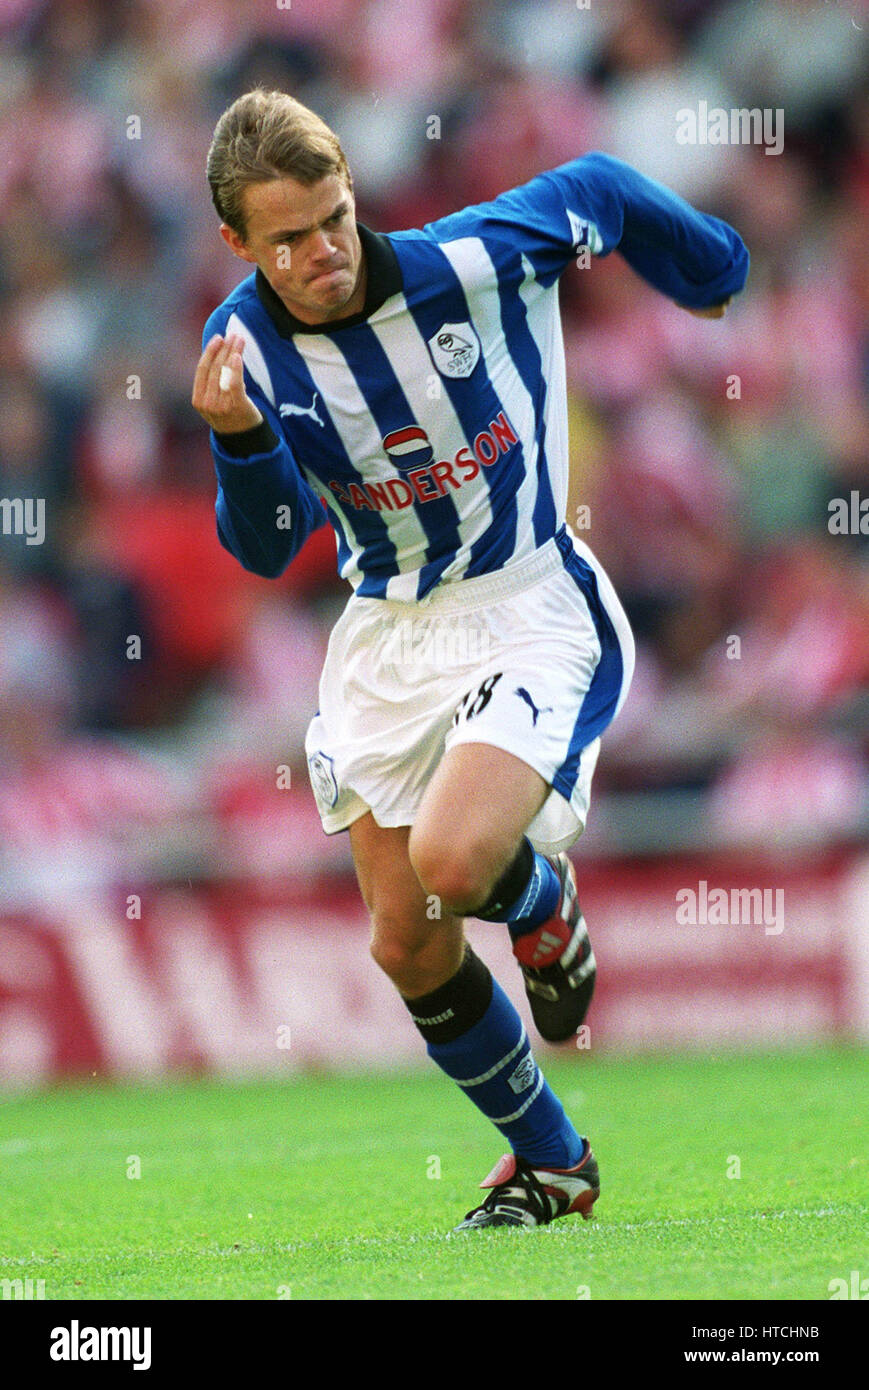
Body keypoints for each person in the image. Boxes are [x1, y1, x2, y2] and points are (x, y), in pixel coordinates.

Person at [192, 88, 748, 1230]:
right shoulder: (236, 349)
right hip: (386, 635)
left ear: (353, 195)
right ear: (238, 243)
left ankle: (539, 902)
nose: (321, 251)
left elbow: (596, 188)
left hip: (526, 599)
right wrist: (242, 443)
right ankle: (553, 1162)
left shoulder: (472, 262)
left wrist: (711, 269)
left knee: (454, 857)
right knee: (406, 939)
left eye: (333, 217)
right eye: (287, 238)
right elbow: (264, 545)